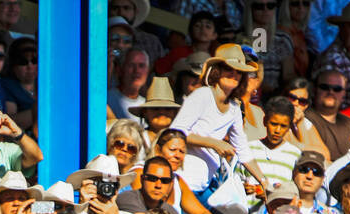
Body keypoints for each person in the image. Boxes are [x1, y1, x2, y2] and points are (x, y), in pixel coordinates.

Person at [169, 43, 269, 204]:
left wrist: (264, 182)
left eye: (239, 71)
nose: (234, 74)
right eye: (229, 69)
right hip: (183, 181)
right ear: (217, 71)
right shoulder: (202, 95)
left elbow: (243, 149)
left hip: (206, 184)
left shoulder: (235, 108)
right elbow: (175, 133)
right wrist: (213, 143)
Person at [307, 68, 350, 162]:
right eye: (324, 87)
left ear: (344, 94)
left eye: (337, 89)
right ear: (314, 90)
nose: (331, 92)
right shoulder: (304, 118)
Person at [107, 47, 151, 120]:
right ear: (120, 70)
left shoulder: (150, 107)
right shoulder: (107, 100)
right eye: (131, 65)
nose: (137, 71)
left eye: (141, 66)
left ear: (148, 71)